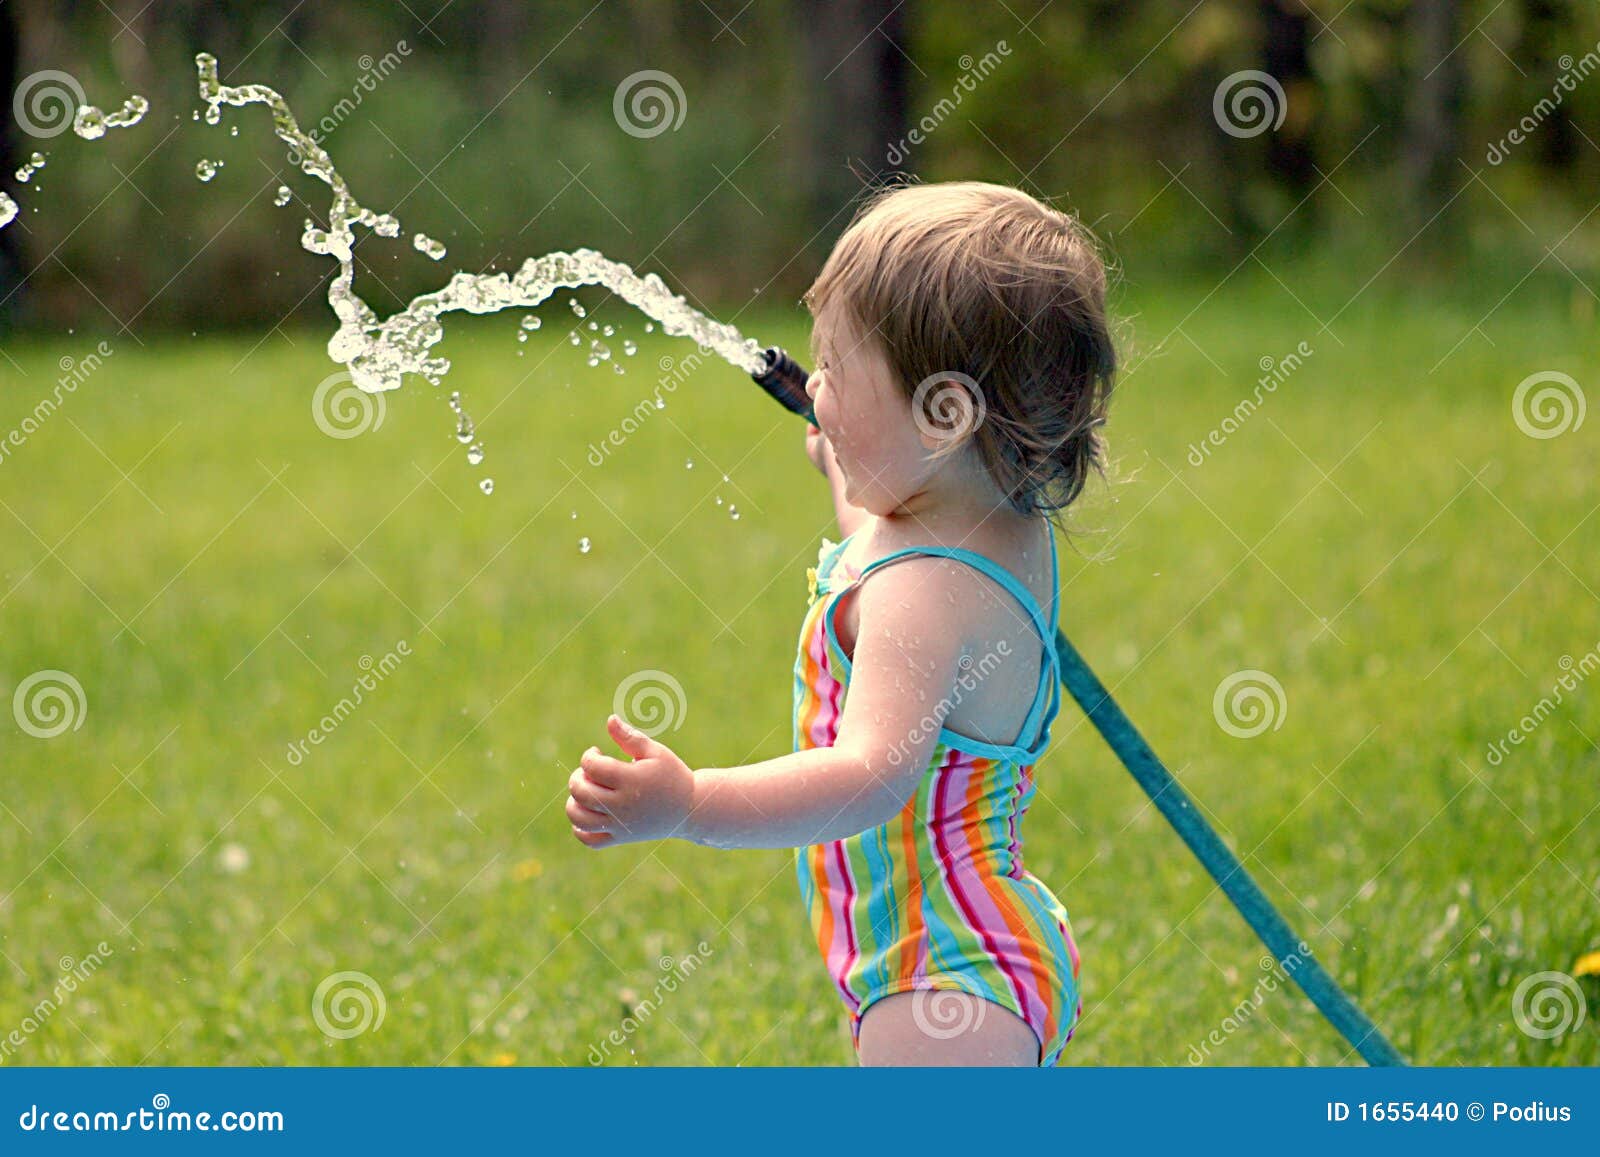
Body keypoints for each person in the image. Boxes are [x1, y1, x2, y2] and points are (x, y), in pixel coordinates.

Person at [566, 180, 1117, 1066]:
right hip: (980, 939)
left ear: (943, 415)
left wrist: (692, 803)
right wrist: (847, 459)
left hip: (941, 973)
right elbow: (882, 538)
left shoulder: (922, 590)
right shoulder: (988, 525)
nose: (814, 386)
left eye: (837, 369)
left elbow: (868, 776)